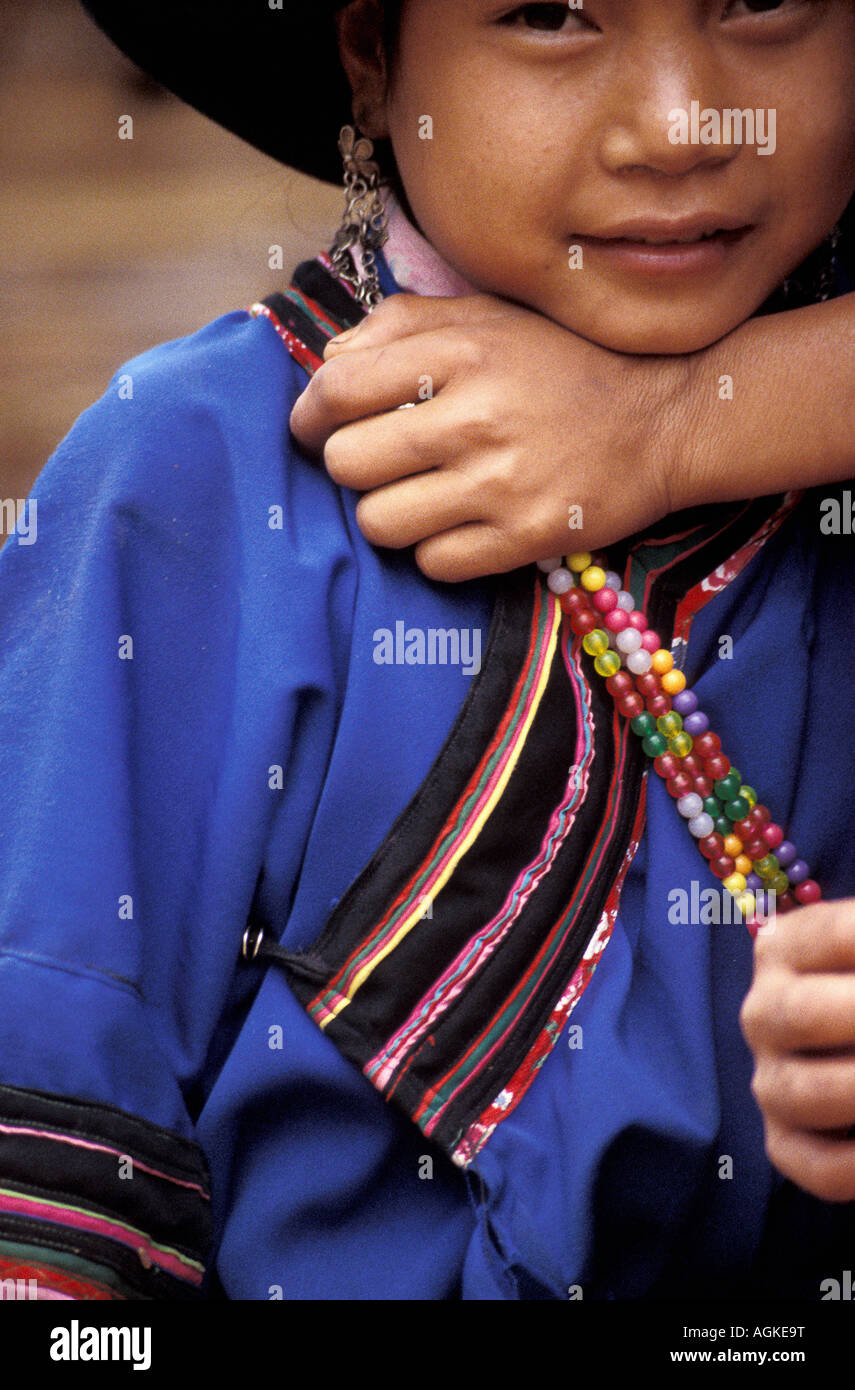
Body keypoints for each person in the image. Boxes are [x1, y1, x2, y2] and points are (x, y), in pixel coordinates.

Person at [0, 0, 853, 1301]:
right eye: (552, 13)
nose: (683, 126)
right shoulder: (192, 484)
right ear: (372, 55)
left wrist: (676, 426)